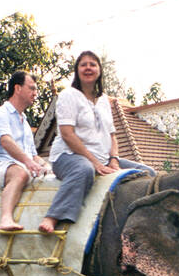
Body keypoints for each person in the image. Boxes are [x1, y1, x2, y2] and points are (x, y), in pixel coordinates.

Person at [39, 51, 122, 235]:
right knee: (84, 170)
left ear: (99, 70)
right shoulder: (68, 95)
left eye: (93, 64)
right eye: (83, 64)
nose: (88, 68)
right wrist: (96, 163)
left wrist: (114, 159)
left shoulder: (104, 101)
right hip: (68, 157)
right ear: (77, 70)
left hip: (103, 159)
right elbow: (67, 135)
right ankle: (52, 216)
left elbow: (112, 136)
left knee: (144, 172)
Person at [0, 70, 48, 231]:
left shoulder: (24, 121)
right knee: (20, 174)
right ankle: (5, 219)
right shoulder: (0, 114)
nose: (35, 93)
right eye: (31, 88)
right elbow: (6, 141)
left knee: (50, 173)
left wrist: (45, 165)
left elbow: (33, 155)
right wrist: (29, 163)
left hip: (19, 165)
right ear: (17, 88)